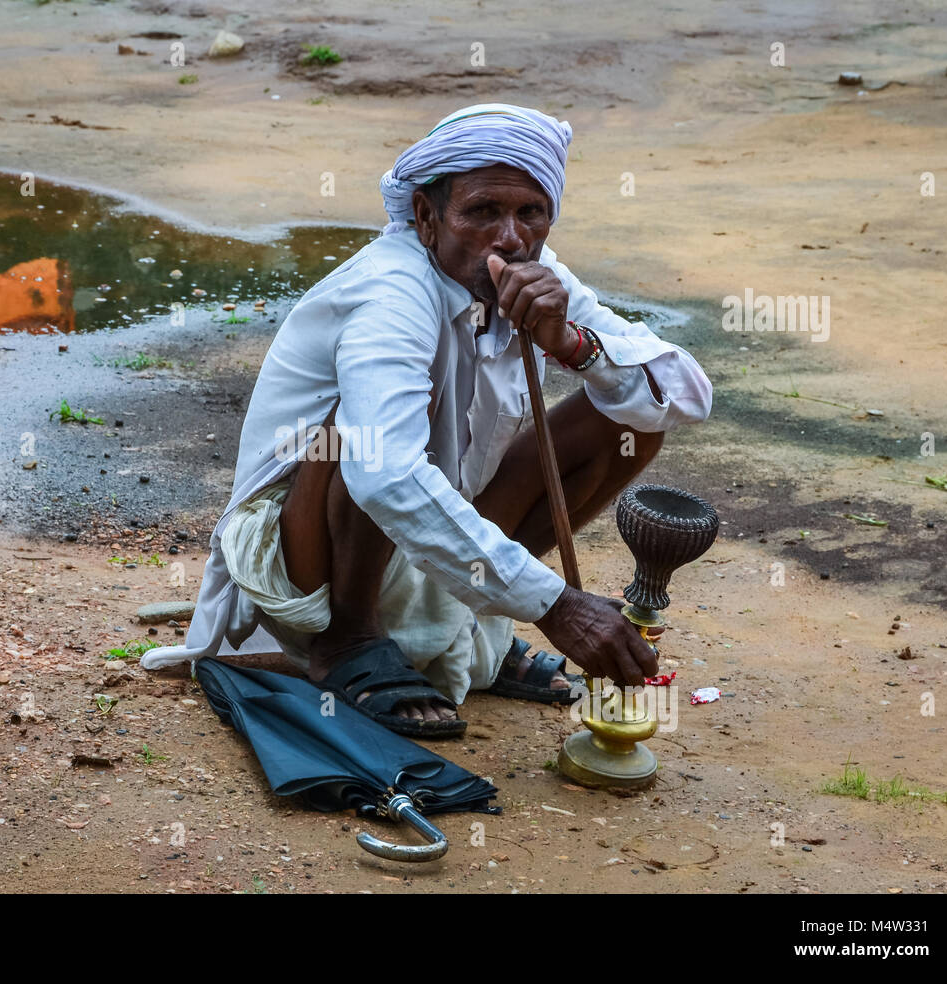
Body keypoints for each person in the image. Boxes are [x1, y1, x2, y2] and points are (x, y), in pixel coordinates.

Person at [143, 103, 712, 738]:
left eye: (531, 213)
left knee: (632, 415)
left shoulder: (539, 281)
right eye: (482, 212)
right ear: (425, 216)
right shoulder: (392, 292)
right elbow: (384, 478)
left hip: (431, 538)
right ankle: (350, 642)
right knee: (361, 435)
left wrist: (574, 342)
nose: (510, 238)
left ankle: (464, 631)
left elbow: (688, 396)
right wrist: (554, 605)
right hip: (311, 565)